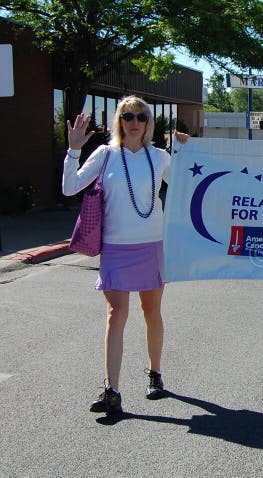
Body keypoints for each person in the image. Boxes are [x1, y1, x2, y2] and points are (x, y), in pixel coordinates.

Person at [62, 96, 188, 414]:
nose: (135, 122)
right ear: (120, 120)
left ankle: (155, 374)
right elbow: (69, 187)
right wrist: (73, 149)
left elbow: (187, 185)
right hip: (116, 248)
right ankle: (112, 391)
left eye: (141, 117)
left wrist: (186, 151)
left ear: (148, 123)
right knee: (116, 315)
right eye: (128, 116)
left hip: (152, 245)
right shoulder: (105, 155)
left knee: (151, 312)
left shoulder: (159, 157)